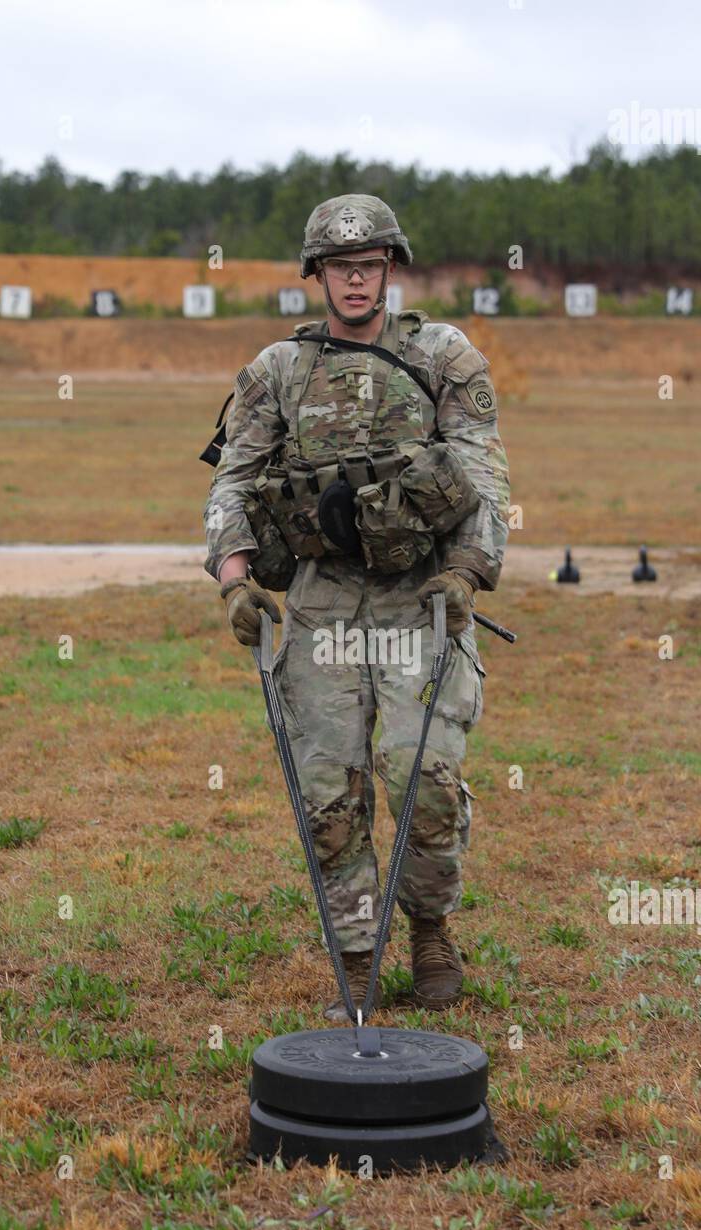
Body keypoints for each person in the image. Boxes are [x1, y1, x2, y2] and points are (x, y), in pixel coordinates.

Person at [203, 194, 510, 1021]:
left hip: (421, 596)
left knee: (427, 772)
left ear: (389, 270)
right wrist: (237, 578)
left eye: (369, 265)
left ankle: (432, 929)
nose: (354, 280)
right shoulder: (279, 371)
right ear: (318, 274)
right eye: (340, 267)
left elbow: (482, 473)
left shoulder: (443, 355)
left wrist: (468, 572)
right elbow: (232, 479)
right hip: (322, 597)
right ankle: (358, 956)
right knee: (330, 789)